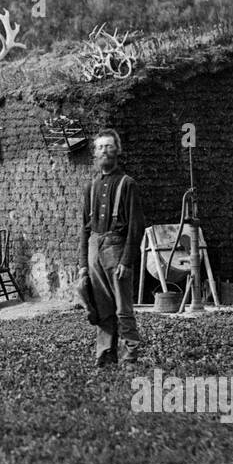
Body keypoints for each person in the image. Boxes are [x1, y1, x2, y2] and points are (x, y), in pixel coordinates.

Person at [77, 130, 145, 367]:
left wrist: (126, 261)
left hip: (117, 248)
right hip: (95, 248)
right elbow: (85, 230)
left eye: (109, 146)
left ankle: (130, 356)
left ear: (118, 150)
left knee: (123, 307)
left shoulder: (128, 184)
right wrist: (84, 266)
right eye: (100, 147)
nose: (104, 150)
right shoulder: (91, 187)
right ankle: (105, 355)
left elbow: (136, 227)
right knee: (101, 305)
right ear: (95, 154)